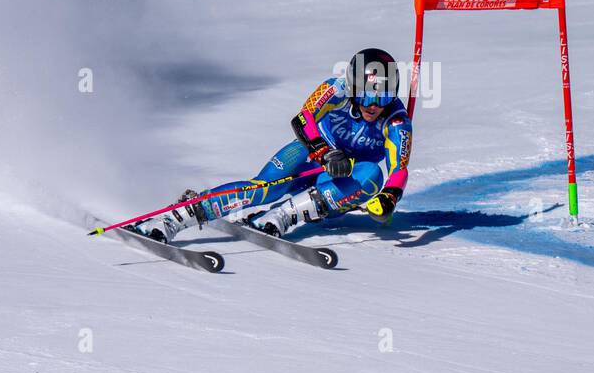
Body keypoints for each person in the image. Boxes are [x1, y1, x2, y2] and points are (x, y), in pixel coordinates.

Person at [140, 48, 413, 240]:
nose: (374, 106)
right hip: (313, 155)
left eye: (383, 97)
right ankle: (176, 217)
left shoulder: (397, 121)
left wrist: (390, 197)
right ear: (353, 88)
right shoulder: (335, 89)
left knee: (372, 176)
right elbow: (303, 118)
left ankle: (282, 216)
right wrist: (324, 152)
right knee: (265, 188)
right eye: (366, 97)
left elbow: (398, 169)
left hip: (343, 180)